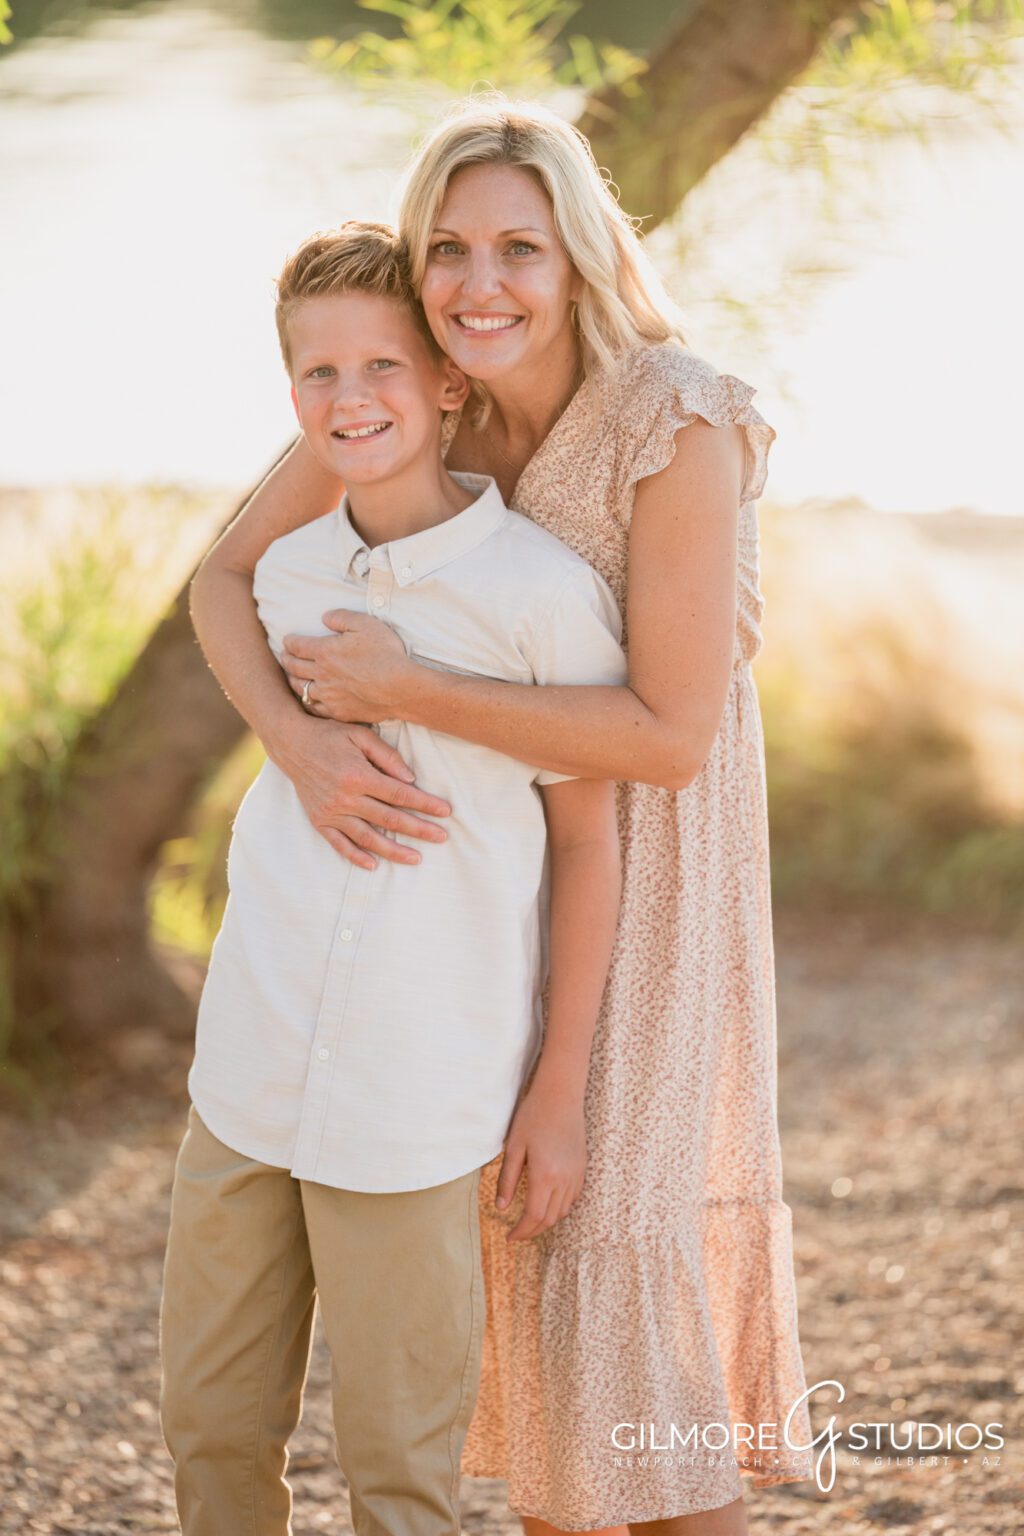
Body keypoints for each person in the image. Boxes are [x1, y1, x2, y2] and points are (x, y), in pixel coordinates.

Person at [188, 98, 815, 1536]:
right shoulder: (426, 387)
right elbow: (225, 580)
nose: (483, 285)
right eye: (452, 248)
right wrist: (298, 745)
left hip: (640, 887)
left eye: (521, 249)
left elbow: (670, 737)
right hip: (475, 900)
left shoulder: (675, 417)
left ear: (583, 255)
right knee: (538, 1315)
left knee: (622, 1302)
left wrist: (411, 680)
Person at [159, 219, 629, 1536]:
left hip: (416, 1104)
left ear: (446, 383)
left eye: (381, 367)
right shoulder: (291, 565)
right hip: (248, 1072)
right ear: (289, 393)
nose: (348, 398)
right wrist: (297, 744)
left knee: (401, 1474)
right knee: (207, 1429)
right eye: (317, 375)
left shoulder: (536, 598)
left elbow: (588, 843)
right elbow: (219, 583)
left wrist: (560, 1088)